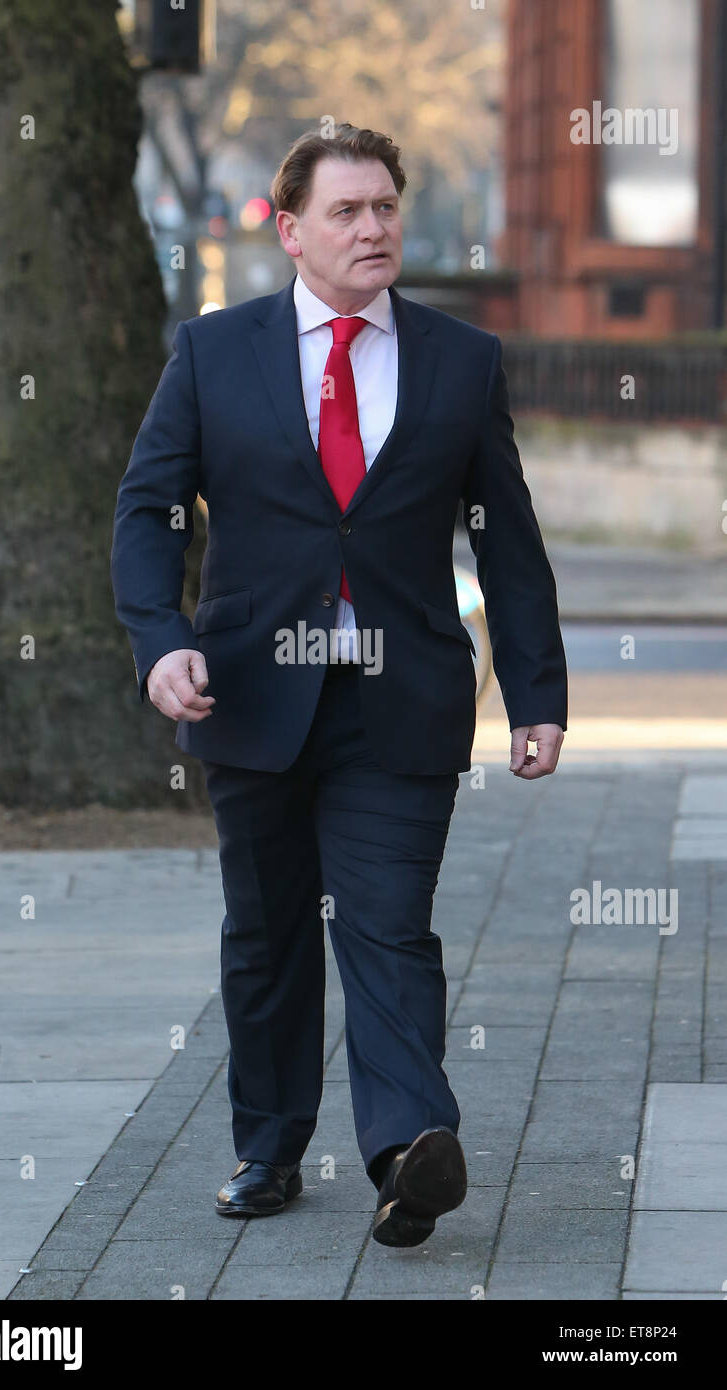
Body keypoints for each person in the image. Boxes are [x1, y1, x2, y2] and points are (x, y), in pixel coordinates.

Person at [110, 124, 567, 1248]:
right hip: (249, 695)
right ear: (291, 230)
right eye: (347, 211)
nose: (373, 229)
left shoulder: (461, 361)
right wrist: (162, 640)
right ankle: (266, 1148)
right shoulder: (214, 354)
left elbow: (503, 539)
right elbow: (147, 509)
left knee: (387, 926)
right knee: (266, 934)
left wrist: (537, 691)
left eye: (385, 209)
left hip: (399, 697)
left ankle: (409, 1150)